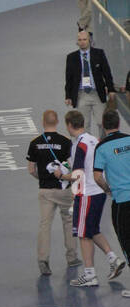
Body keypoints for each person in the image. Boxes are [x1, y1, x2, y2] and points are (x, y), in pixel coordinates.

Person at [56, 110, 124, 287]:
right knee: (92, 229)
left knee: (83, 233)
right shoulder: (94, 140)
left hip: (87, 193)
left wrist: (60, 175)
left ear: (69, 125)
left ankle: (89, 274)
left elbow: (77, 174)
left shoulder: (79, 145)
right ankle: (113, 258)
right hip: (99, 191)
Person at [25, 109, 79, 277]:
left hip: (45, 190)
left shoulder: (35, 143)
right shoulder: (65, 142)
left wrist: (42, 179)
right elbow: (72, 166)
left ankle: (43, 260)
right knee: (68, 222)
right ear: (57, 122)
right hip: (64, 190)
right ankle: (71, 257)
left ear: (43, 122)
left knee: (45, 225)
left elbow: (31, 169)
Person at [93, 107, 130, 298]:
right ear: (118, 123)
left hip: (122, 200)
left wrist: (107, 189)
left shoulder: (101, 147)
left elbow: (97, 176)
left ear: (104, 126)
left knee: (126, 239)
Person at [63, 29, 117, 139]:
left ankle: (102, 142)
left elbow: (107, 72)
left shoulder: (99, 53)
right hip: (81, 94)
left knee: (102, 122)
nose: (82, 42)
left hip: (97, 93)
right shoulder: (71, 57)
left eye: (84, 39)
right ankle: (88, 145)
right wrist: (68, 96)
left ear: (89, 40)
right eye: (80, 40)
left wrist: (111, 89)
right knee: (84, 124)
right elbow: (69, 78)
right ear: (77, 42)